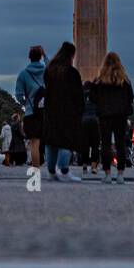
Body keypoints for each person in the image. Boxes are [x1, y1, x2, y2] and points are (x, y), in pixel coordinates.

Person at [89, 51, 134, 184]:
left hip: (104, 116)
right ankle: (120, 174)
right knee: (121, 145)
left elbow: (92, 97)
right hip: (120, 116)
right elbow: (130, 97)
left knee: (106, 145)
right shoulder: (124, 80)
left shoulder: (99, 80)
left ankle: (107, 173)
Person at [42, 41, 84, 182]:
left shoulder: (49, 71)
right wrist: (79, 111)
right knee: (65, 142)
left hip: (50, 111)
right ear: (71, 55)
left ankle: (51, 171)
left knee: (51, 142)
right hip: (67, 112)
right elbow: (78, 95)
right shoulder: (72, 72)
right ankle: (64, 170)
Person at [15, 46, 47, 171]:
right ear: (40, 56)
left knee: (34, 143)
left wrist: (26, 103)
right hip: (44, 111)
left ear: (29, 57)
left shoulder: (23, 74)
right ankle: (51, 169)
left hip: (31, 112)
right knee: (47, 142)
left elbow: (18, 94)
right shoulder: (46, 71)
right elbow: (51, 67)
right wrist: (45, 55)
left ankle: (36, 170)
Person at [80, 80, 100, 176]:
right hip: (95, 121)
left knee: (85, 145)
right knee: (95, 145)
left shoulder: (81, 96)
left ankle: (84, 165)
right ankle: (94, 166)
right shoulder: (96, 95)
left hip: (84, 121)